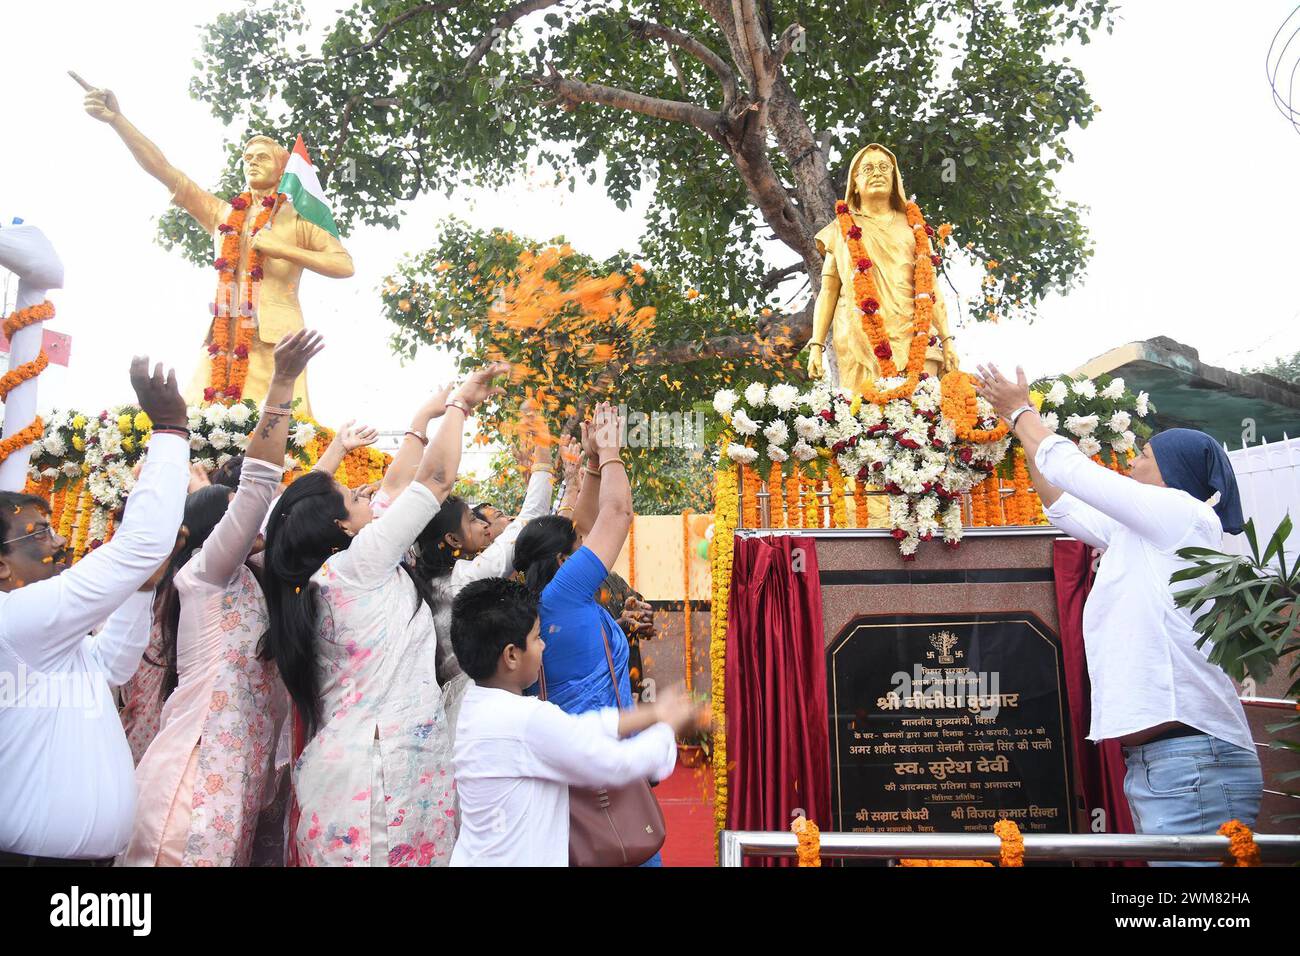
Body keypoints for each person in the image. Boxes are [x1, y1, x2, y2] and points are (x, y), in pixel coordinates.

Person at [974, 363, 1261, 863]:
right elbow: (1062, 502)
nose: (1132, 461)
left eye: (1144, 456)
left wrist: (1020, 411)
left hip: (1192, 762)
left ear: (1174, 474)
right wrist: (1024, 431)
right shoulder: (1146, 533)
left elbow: (1075, 471)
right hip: (1168, 762)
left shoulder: (1181, 514)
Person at [261, 362, 507, 867]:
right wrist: (461, 405)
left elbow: (399, 486)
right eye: (356, 497)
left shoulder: (327, 578)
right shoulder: (360, 564)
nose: (370, 496)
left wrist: (422, 420)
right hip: (379, 785)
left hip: (354, 781)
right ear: (339, 525)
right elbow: (433, 481)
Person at [119, 331, 324, 867]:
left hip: (238, 783)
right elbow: (259, 488)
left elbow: (297, 513)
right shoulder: (206, 578)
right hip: (191, 783)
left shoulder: (258, 580)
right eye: (234, 514)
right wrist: (281, 382)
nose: (251, 519)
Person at [0, 357, 190, 865]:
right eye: (39, 534)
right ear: (2, 568)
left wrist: (139, 590)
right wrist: (171, 430)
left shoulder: (42, 637)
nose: (60, 540)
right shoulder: (14, 622)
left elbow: (111, 666)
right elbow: (143, 543)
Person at [448, 577, 707, 866]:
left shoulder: (478, 705)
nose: (544, 645)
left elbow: (576, 731)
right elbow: (615, 763)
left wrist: (652, 714)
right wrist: (668, 727)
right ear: (511, 655)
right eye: (536, 637)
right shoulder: (527, 721)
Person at [410, 430, 556, 740]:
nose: (483, 525)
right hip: (477, 709)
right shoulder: (462, 579)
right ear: (452, 540)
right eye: (472, 521)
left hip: (444, 713)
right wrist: (543, 459)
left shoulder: (416, 581)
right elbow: (527, 524)